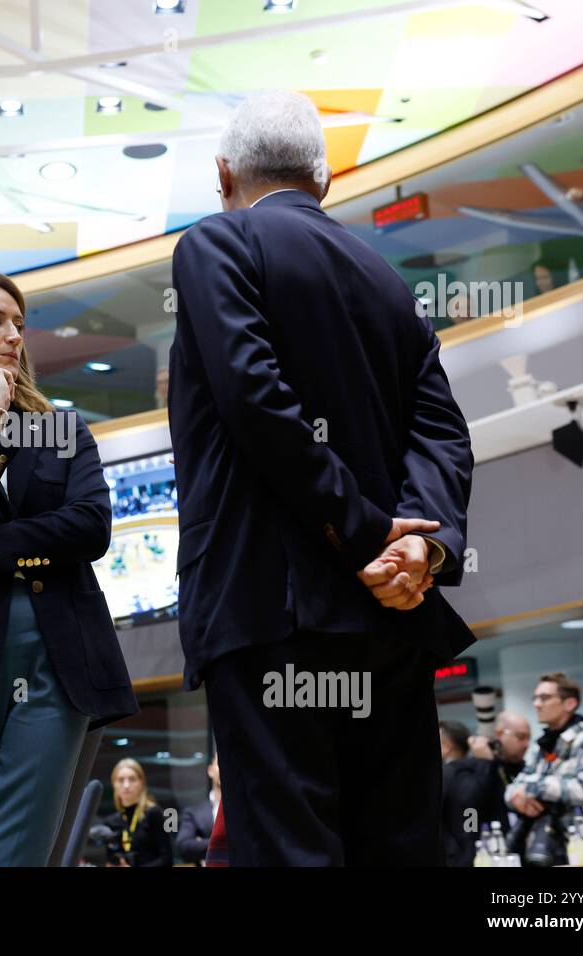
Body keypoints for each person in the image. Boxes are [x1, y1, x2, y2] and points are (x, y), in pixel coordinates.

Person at [168, 89, 475, 866]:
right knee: (399, 851)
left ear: (222, 173)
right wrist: (418, 553)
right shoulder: (389, 282)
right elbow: (442, 433)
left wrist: (368, 534)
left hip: (270, 614)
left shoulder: (216, 246)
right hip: (392, 624)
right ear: (325, 179)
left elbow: (257, 403)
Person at [0, 271, 137, 866]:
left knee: (22, 837)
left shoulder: (61, 429)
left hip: (57, 648)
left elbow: (90, 527)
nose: (14, 334)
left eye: (19, 322)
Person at [504, 672, 583, 864]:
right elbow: (511, 791)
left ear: (569, 703)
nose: (537, 704)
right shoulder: (542, 747)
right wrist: (519, 798)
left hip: (577, 849)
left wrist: (531, 789)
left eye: (544, 698)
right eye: (535, 698)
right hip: (535, 848)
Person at [441, 711, 529, 867]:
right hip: (473, 853)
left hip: (502, 851)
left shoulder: (501, 767)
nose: (526, 744)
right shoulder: (459, 770)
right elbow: (470, 811)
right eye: (521, 737)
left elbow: (471, 811)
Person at [102, 758, 174, 867]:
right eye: (121, 780)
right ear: (114, 785)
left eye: (132, 779)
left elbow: (167, 859)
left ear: (142, 783)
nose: (126, 785)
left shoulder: (154, 813)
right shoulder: (111, 822)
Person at [178, 752, 221, 865]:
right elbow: (184, 847)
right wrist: (227, 842)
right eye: (220, 762)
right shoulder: (193, 813)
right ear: (210, 770)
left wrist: (201, 843)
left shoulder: (245, 811)